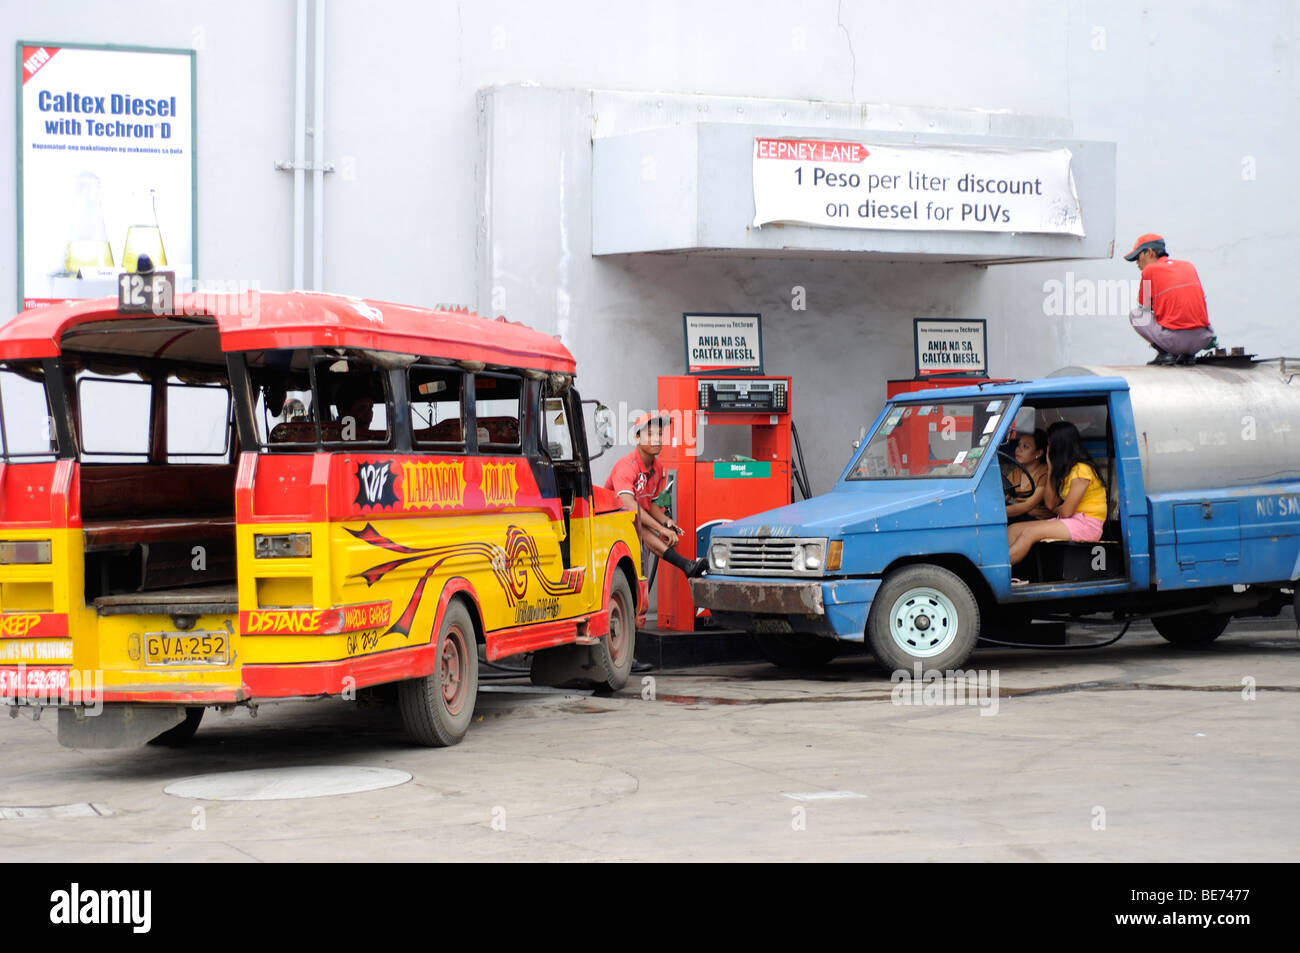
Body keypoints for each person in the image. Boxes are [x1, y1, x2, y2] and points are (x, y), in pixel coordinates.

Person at [604, 411, 707, 579]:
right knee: (634, 522)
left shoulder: (658, 468)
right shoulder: (626, 466)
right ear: (637, 438)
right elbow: (629, 504)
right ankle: (685, 565)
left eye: (659, 434)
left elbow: (650, 503)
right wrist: (660, 529)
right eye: (650, 434)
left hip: (635, 530)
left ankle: (686, 566)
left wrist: (666, 522)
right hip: (612, 529)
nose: (657, 439)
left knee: (640, 583)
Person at [1007, 422, 1107, 567]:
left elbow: (1065, 511)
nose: (1048, 449)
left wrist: (1057, 509)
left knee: (1030, 532)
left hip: (1086, 524)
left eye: (1050, 444)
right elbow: (1050, 504)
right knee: (1014, 529)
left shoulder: (1082, 470)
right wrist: (1051, 469)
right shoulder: (1066, 470)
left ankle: (998, 571)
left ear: (1059, 446)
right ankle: (1008, 570)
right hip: (1069, 521)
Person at [1123, 233, 1215, 365]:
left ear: (1149, 252)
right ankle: (1188, 356)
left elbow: (1144, 309)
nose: (1137, 263)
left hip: (1173, 342)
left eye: (1138, 257)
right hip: (1202, 339)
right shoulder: (1188, 265)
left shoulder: (1149, 271)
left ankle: (1165, 354)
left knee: (1136, 315)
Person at [1004, 428, 1051, 523]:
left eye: (1025, 447)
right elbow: (1004, 498)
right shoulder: (1016, 472)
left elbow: (1028, 505)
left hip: (1037, 520)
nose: (1018, 449)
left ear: (1038, 453)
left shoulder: (1045, 473)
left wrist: (995, 513)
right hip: (1019, 513)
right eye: (1019, 445)